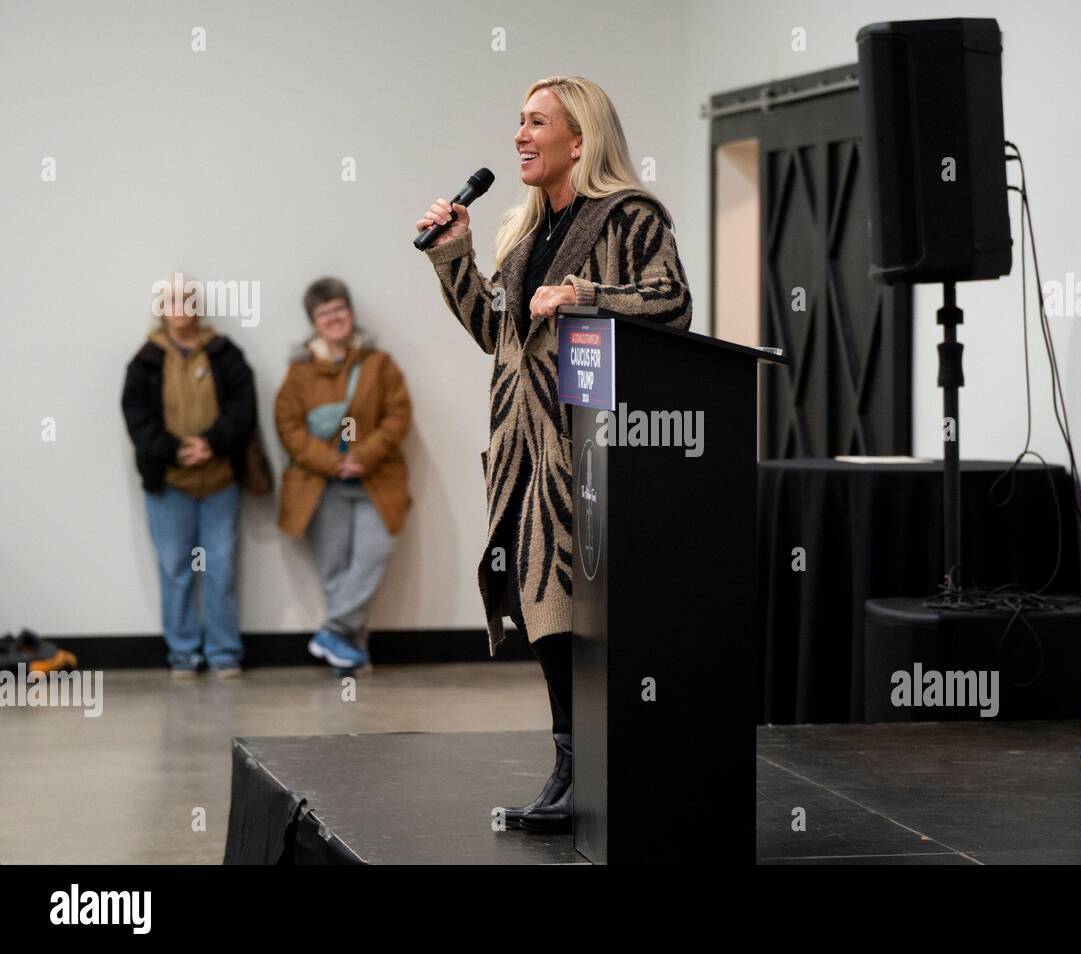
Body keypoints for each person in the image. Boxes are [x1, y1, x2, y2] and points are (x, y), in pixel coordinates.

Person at [418, 75, 692, 832]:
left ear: (581, 140)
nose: (519, 135)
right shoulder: (526, 230)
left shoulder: (630, 216)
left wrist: (585, 295)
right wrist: (454, 258)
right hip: (520, 449)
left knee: (559, 606)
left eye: (536, 122)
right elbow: (501, 337)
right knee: (538, 606)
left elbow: (672, 300)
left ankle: (591, 769)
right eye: (518, 121)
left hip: (586, 448)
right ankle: (574, 767)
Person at [122, 274, 257, 680]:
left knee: (220, 567)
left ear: (198, 306)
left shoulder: (224, 353)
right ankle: (182, 654)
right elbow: (137, 419)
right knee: (176, 569)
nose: (180, 307)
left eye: (186, 299)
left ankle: (224, 653)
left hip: (220, 480)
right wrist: (175, 450)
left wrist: (212, 443)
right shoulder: (145, 359)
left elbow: (244, 406)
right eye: (171, 300)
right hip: (169, 483)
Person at [274, 277, 412, 674]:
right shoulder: (299, 371)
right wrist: (332, 461)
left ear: (350, 313)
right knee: (335, 569)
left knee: (371, 557)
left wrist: (363, 457)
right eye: (324, 313)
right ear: (313, 322)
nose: (333, 318)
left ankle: (332, 632)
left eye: (339, 310)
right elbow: (288, 427)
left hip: (375, 479)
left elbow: (398, 416)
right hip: (322, 484)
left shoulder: (378, 363)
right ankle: (350, 653)